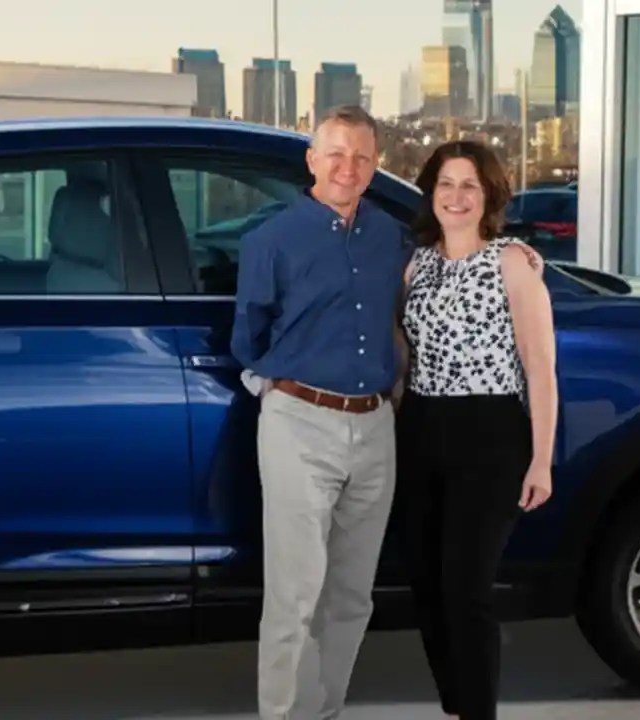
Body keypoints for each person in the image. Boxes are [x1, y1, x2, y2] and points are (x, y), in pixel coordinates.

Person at [230, 104, 413, 720]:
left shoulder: (390, 235)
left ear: (375, 164)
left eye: (362, 156)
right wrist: (281, 391)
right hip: (299, 423)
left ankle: (324, 710)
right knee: (295, 591)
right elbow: (248, 338)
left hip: (374, 424)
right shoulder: (271, 240)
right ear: (311, 159)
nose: (348, 167)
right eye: (335, 153)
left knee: (352, 593)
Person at [395, 140, 558, 720]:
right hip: (421, 428)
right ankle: (458, 705)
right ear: (430, 193)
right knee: (427, 586)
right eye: (446, 184)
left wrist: (541, 460)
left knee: (467, 590)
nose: (456, 196)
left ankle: (476, 713)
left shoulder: (512, 261)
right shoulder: (420, 262)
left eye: (469, 185)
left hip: (490, 434)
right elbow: (406, 356)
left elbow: (540, 367)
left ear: (488, 195)